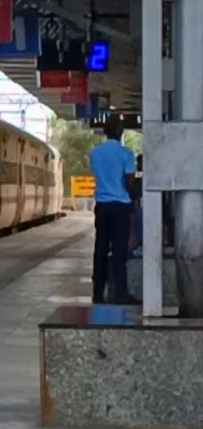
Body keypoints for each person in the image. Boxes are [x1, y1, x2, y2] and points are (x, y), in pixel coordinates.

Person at [89, 119, 137, 305]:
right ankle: (120, 294)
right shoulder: (126, 154)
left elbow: (99, 175)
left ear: (105, 132)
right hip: (120, 206)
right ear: (120, 132)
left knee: (100, 249)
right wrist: (135, 195)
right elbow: (130, 182)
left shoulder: (95, 153)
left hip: (102, 205)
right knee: (119, 252)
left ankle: (98, 293)